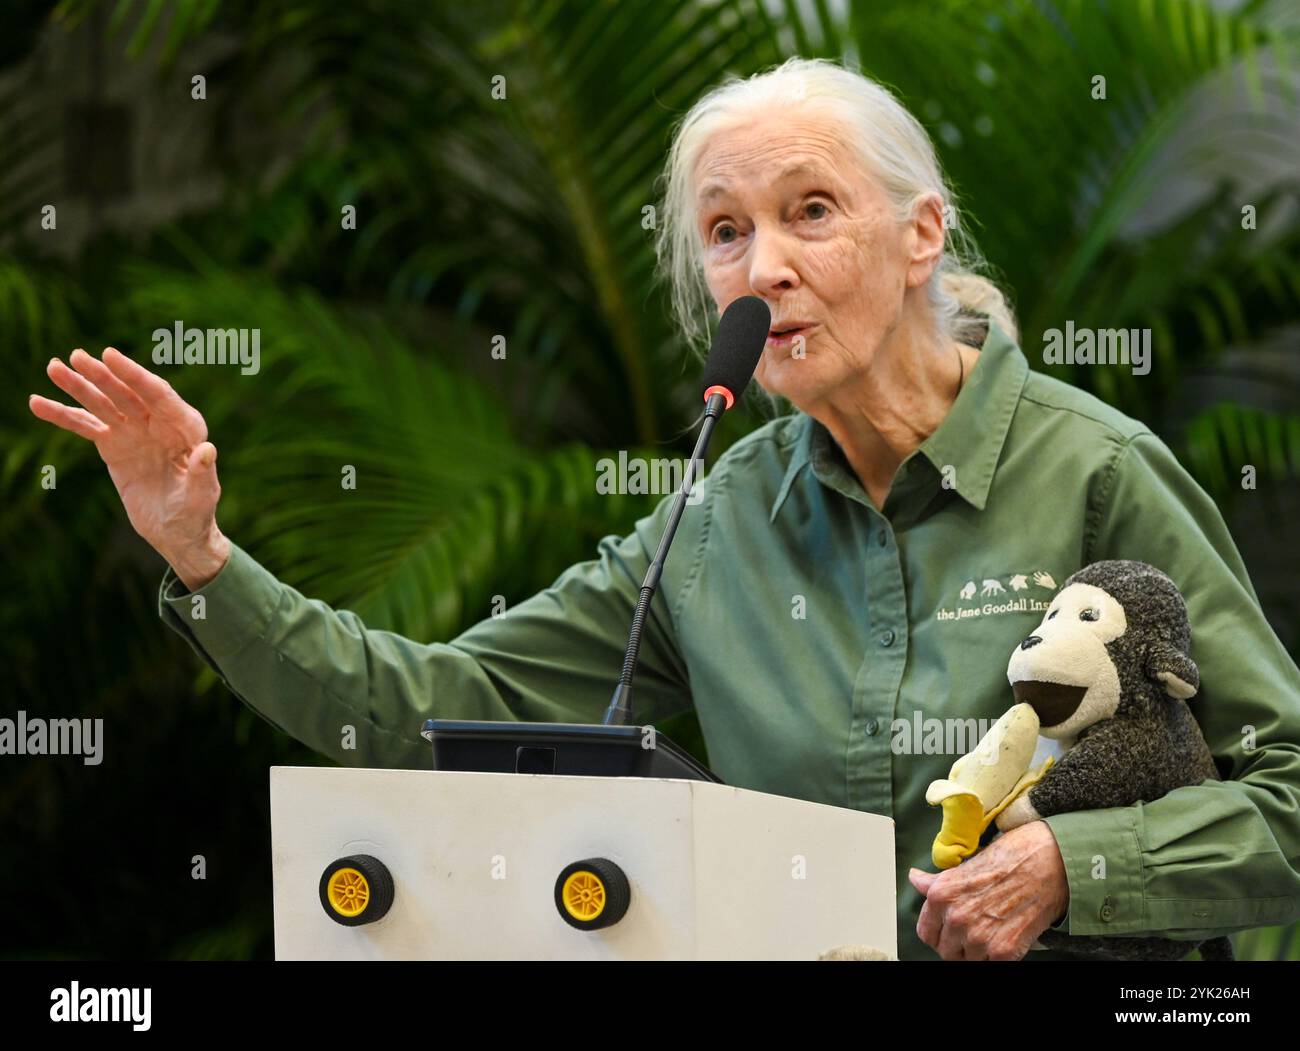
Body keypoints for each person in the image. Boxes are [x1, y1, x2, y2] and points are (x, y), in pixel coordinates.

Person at [29, 57, 1300, 961]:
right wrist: (199, 554)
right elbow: (426, 714)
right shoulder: (715, 518)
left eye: (810, 212)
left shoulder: (1095, 471)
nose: (767, 268)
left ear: (920, 236)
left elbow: (1286, 789)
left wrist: (1075, 869)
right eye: (726, 233)